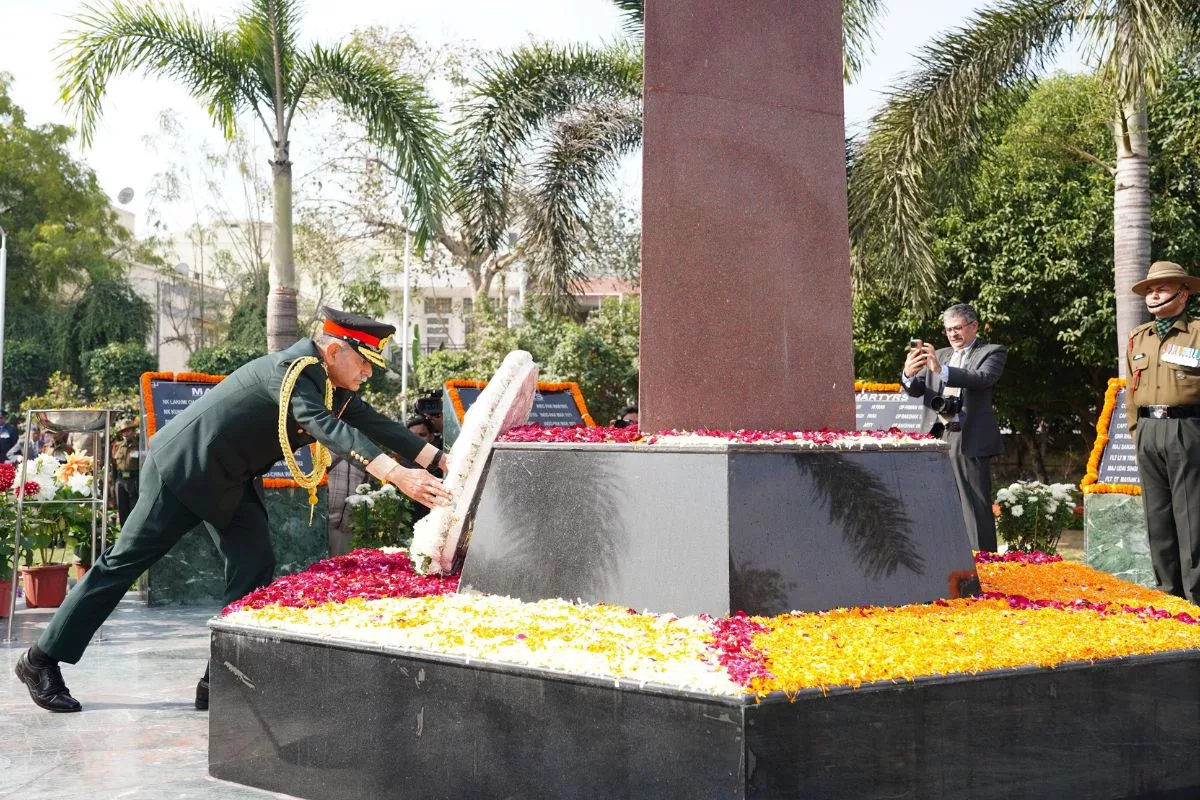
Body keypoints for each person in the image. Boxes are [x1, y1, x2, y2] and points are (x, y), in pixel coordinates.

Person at [14, 307, 453, 714]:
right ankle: (40, 659)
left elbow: (379, 425)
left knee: (253, 564)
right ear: (335, 351)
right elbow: (324, 426)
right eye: (364, 363)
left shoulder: (330, 384)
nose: (369, 373)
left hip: (231, 477)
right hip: (184, 469)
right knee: (123, 563)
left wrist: (443, 461)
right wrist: (397, 475)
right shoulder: (293, 371)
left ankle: (222, 677)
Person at [902, 302, 1007, 552]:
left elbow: (982, 379)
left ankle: (982, 560)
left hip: (967, 438)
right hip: (935, 436)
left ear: (974, 326)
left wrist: (942, 370)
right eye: (948, 330)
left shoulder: (992, 352)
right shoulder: (939, 354)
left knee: (973, 505)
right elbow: (916, 389)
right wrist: (907, 373)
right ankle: (942, 556)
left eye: (958, 328)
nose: (953, 334)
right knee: (936, 503)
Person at [1125, 261, 1200, 604]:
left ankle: (1195, 598)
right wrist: (1136, 432)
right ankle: (1169, 596)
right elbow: (1131, 389)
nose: (1153, 295)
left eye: (1162, 288)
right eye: (1150, 290)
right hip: (1148, 429)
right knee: (1156, 517)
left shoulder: (1197, 333)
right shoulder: (1138, 337)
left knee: (1191, 517)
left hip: (1187, 428)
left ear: (1183, 294)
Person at [110, 419, 141, 526]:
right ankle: (124, 532)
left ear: (133, 431)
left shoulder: (139, 446)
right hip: (120, 481)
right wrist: (113, 484)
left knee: (134, 509)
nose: (126, 434)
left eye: (128, 431)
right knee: (122, 510)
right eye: (123, 431)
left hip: (134, 480)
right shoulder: (117, 447)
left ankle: (135, 532)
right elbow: (113, 466)